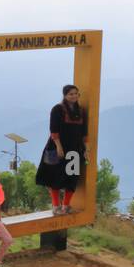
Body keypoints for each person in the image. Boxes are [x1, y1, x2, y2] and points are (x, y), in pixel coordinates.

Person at [34, 84, 87, 214]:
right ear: (65, 95)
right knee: (54, 177)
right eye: (71, 94)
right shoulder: (57, 109)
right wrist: (59, 147)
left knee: (72, 177)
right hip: (55, 148)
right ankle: (55, 206)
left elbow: (84, 133)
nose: (74, 96)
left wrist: (86, 149)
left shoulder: (81, 111)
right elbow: (54, 130)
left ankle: (66, 206)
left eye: (76, 94)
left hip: (75, 149)